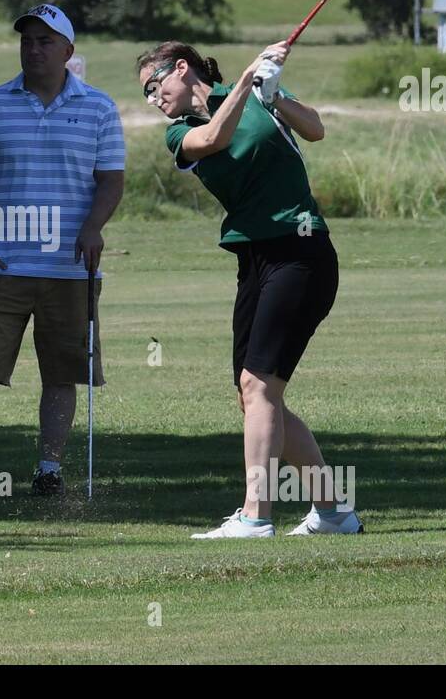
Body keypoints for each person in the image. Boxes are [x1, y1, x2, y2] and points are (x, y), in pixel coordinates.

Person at [136, 40, 361, 536]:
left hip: (302, 253)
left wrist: (274, 92)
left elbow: (316, 129)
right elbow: (216, 137)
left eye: (155, 87)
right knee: (254, 394)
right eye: (146, 96)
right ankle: (335, 513)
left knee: (260, 387)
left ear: (181, 69)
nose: (153, 99)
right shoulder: (181, 134)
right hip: (254, 260)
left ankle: (256, 517)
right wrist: (248, 79)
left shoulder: (260, 95)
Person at [0, 4, 125, 498]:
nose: (33, 49)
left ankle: (48, 471)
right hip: (2, 265)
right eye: (27, 41)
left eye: (44, 41)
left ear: (68, 51)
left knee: (61, 374)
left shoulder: (100, 108)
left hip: (69, 266)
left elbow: (111, 180)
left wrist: (93, 226)